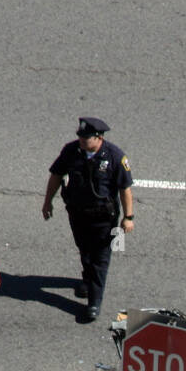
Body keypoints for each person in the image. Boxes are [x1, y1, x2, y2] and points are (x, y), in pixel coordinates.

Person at [41, 116, 134, 322]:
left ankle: (94, 301)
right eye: (81, 137)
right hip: (78, 213)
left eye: (87, 138)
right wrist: (48, 202)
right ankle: (87, 280)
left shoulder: (114, 156)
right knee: (85, 250)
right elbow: (56, 175)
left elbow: (124, 188)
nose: (82, 141)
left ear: (99, 137)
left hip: (103, 218)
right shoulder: (71, 151)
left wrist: (128, 217)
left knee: (100, 259)